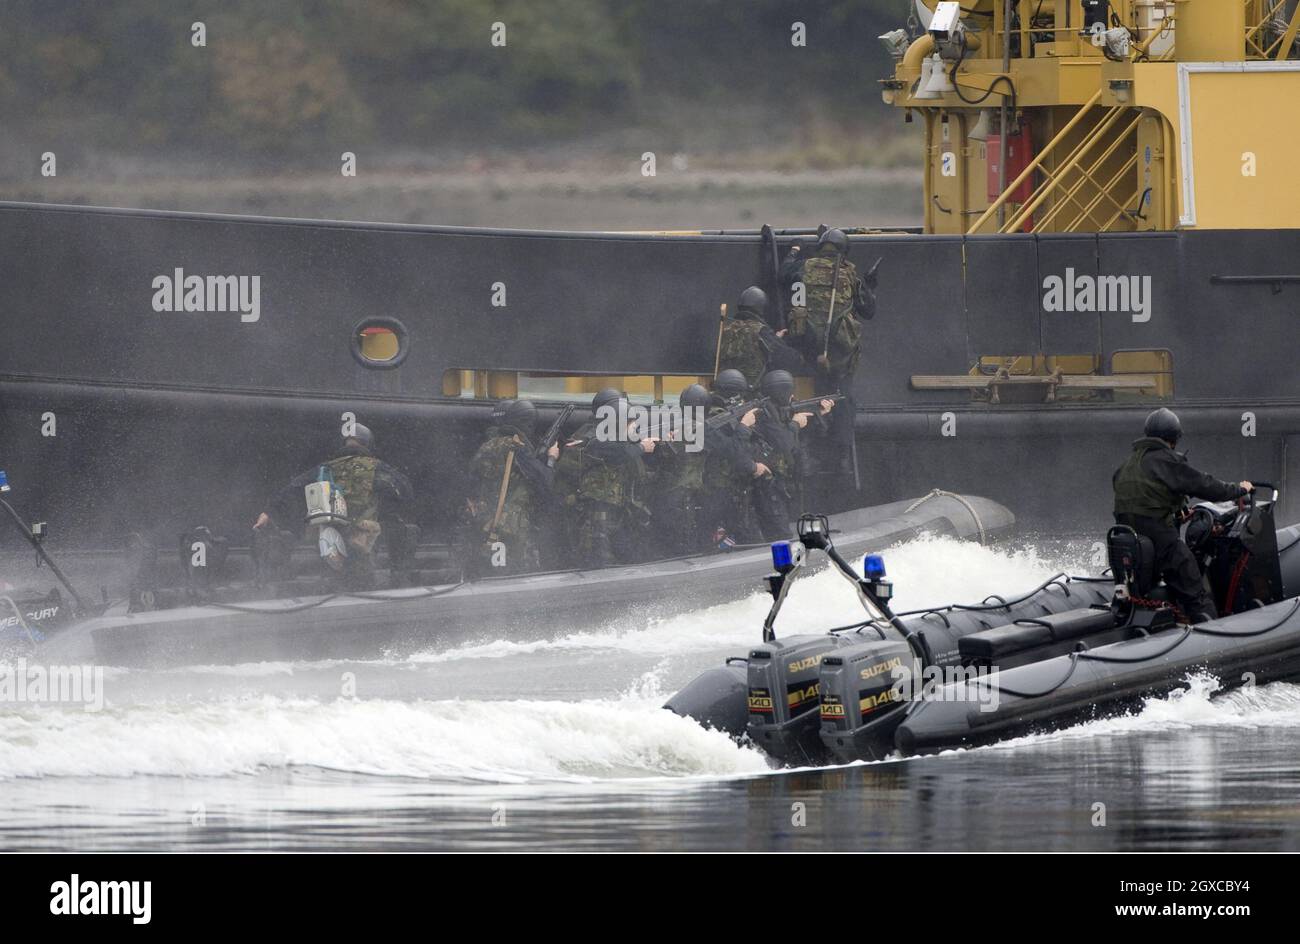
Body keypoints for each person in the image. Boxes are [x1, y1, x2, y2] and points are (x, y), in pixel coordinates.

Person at [1112, 407, 1252, 623]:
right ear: (1174, 439)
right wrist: (1239, 489)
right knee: (1194, 589)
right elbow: (1205, 485)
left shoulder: (1127, 464)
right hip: (1160, 543)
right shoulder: (1167, 460)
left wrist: (1176, 516)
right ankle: (1212, 639)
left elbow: (1141, 505)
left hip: (1131, 542)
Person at [254, 423, 414, 589]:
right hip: (363, 537)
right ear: (367, 443)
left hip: (329, 538)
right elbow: (406, 492)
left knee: (335, 585)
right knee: (364, 584)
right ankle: (395, 578)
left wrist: (268, 512)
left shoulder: (325, 468)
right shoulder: (378, 467)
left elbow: (292, 489)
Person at [781, 227, 877, 474]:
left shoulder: (806, 267)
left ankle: (809, 452)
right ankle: (842, 455)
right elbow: (868, 311)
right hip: (839, 352)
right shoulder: (850, 275)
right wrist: (870, 285)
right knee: (843, 399)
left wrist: (794, 249)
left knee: (809, 397)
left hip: (806, 347)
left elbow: (784, 272)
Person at [553, 388, 657, 567]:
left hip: (615, 509)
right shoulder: (593, 438)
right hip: (595, 510)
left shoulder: (604, 435)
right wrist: (641, 447)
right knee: (599, 560)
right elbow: (614, 452)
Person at [466, 399, 559, 575]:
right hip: (512, 525)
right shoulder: (517, 448)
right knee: (517, 572)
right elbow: (545, 481)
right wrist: (551, 459)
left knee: (490, 571)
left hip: (485, 520)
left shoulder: (487, 447)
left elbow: (472, 481)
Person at [749, 370, 834, 540]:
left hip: (783, 480)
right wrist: (795, 424)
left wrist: (820, 414)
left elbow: (805, 435)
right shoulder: (766, 415)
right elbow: (784, 443)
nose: (792, 396)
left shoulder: (777, 410)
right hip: (769, 483)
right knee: (780, 535)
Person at [700, 369, 768, 546]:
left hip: (729, 484)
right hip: (721, 487)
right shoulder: (716, 418)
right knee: (749, 541)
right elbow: (732, 451)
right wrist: (745, 426)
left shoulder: (720, 413)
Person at [717, 285, 806, 387]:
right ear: (762, 308)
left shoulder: (727, 330)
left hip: (726, 389)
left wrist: (775, 339)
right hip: (752, 392)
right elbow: (788, 358)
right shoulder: (760, 331)